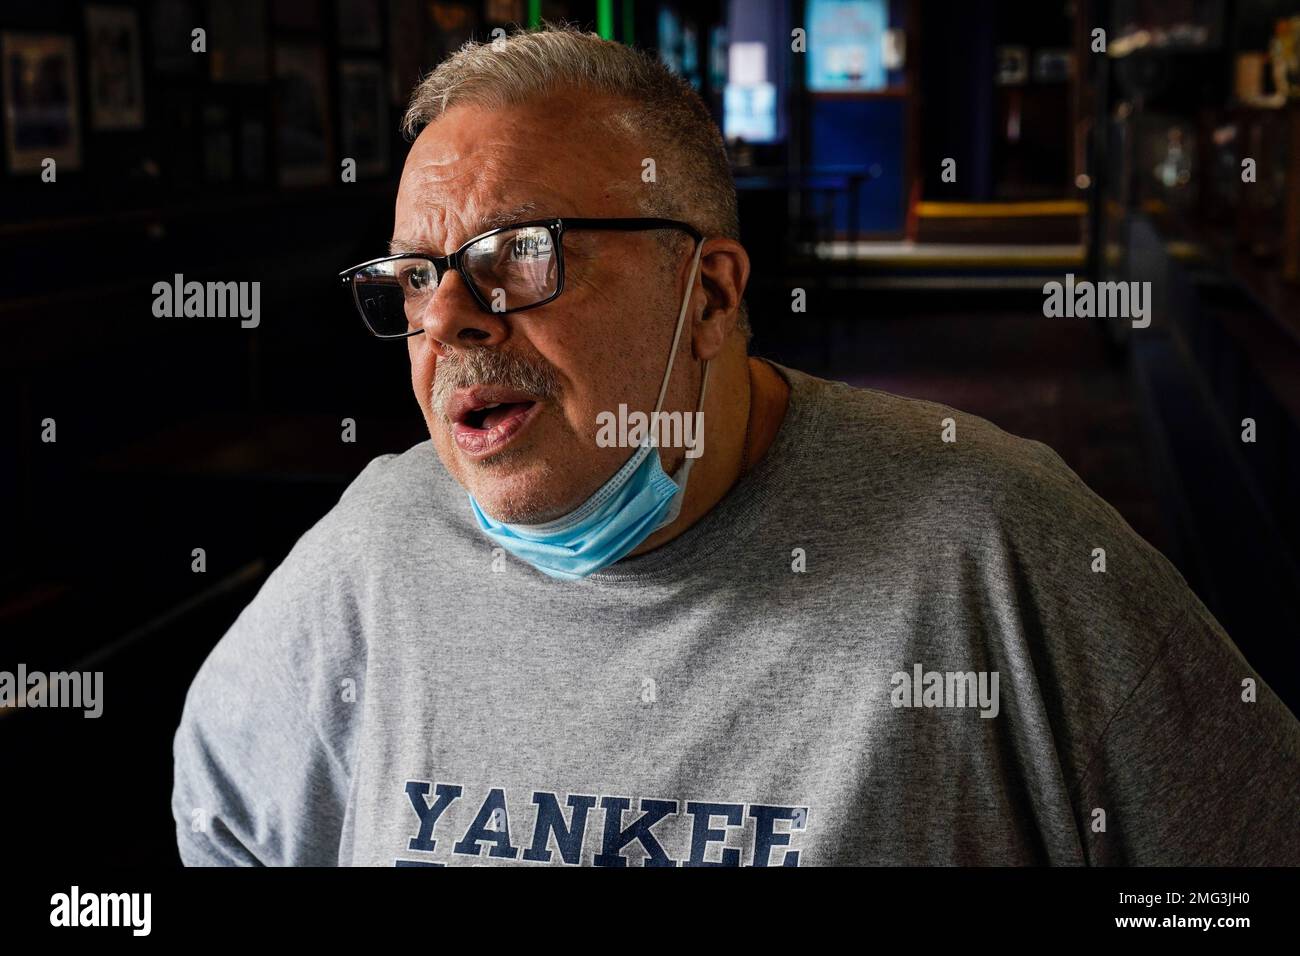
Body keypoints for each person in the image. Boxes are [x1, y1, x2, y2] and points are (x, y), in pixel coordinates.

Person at [172, 24, 1299, 866]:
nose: (451, 320)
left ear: (708, 294)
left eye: (519, 253)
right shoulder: (374, 548)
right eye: (417, 276)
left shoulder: (996, 547)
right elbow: (224, 825)